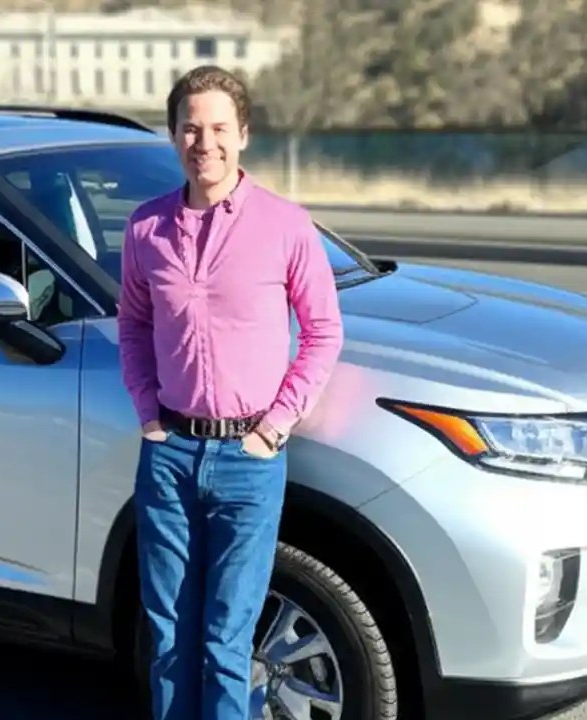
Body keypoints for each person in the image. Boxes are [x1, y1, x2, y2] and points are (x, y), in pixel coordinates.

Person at [117, 65, 345, 719]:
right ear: (173, 136)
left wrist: (273, 427)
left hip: (249, 461)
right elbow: (133, 324)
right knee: (166, 637)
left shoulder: (286, 226)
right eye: (191, 127)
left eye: (219, 127)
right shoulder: (146, 229)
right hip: (168, 453)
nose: (204, 141)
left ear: (243, 135)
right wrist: (145, 412)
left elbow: (324, 331)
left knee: (225, 640)